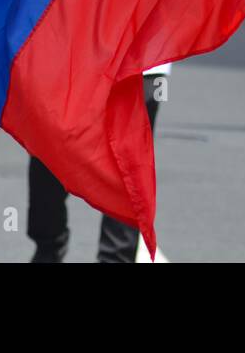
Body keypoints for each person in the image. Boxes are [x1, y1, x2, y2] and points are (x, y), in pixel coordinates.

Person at [28, 64, 169, 262]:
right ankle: (48, 245)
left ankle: (116, 258)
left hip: (141, 61)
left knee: (127, 167)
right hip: (74, 55)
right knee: (49, 150)